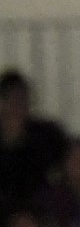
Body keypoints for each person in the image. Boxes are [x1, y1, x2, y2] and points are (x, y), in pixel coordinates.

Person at [0, 71, 69, 210]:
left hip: (40, 209)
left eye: (21, 99)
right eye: (10, 99)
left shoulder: (47, 134)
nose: (16, 106)